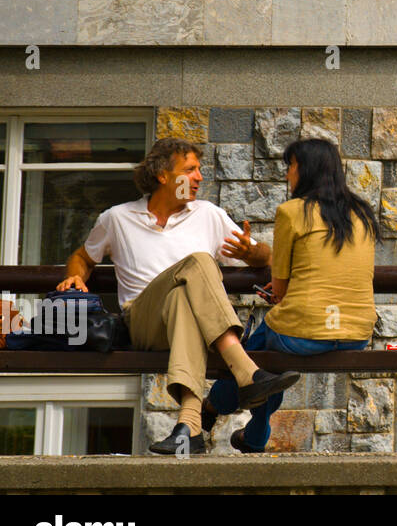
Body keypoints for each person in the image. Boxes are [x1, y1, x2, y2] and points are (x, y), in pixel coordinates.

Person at [59, 137, 300, 455]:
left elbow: (264, 257)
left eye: (199, 169)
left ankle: (189, 427)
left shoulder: (208, 215)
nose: (200, 176)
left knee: (180, 301)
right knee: (199, 261)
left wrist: (252, 251)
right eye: (190, 169)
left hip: (188, 324)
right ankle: (245, 370)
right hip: (142, 323)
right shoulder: (117, 218)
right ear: (163, 175)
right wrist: (74, 276)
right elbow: (83, 256)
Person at [205, 137, 378, 453]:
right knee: (267, 366)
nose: (287, 174)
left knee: (253, 354)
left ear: (307, 169)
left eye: (291, 166)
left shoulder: (291, 212)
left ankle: (215, 406)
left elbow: (280, 290)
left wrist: (286, 292)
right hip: (357, 334)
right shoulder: (362, 213)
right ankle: (254, 435)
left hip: (304, 336)